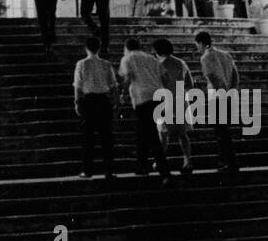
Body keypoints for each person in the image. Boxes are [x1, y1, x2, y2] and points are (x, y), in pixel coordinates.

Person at [119, 37, 172, 182]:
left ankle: (164, 171)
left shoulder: (127, 58)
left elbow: (128, 77)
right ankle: (141, 166)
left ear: (126, 47)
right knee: (143, 132)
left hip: (143, 98)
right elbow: (166, 76)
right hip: (158, 95)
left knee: (150, 134)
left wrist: (123, 93)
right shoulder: (151, 58)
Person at [196, 30, 241, 176]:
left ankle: (228, 162)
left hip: (217, 96)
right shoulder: (226, 55)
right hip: (230, 94)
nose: (197, 48)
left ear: (201, 43)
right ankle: (228, 161)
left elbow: (212, 77)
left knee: (221, 132)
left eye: (197, 45)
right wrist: (232, 90)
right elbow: (235, 74)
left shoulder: (205, 58)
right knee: (225, 130)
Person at [72, 36, 117, 179]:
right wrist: (114, 102)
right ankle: (109, 170)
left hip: (89, 101)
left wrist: (77, 102)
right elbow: (113, 85)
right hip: (103, 100)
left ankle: (88, 170)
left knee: (88, 138)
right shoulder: (106, 64)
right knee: (106, 138)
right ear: (99, 48)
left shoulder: (81, 64)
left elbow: (78, 86)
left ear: (86, 48)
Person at [153, 39, 193, 175]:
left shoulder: (158, 65)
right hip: (181, 100)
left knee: (163, 135)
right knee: (183, 134)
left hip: (164, 101)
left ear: (157, 51)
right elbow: (190, 83)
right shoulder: (181, 63)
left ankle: (159, 162)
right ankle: (187, 161)